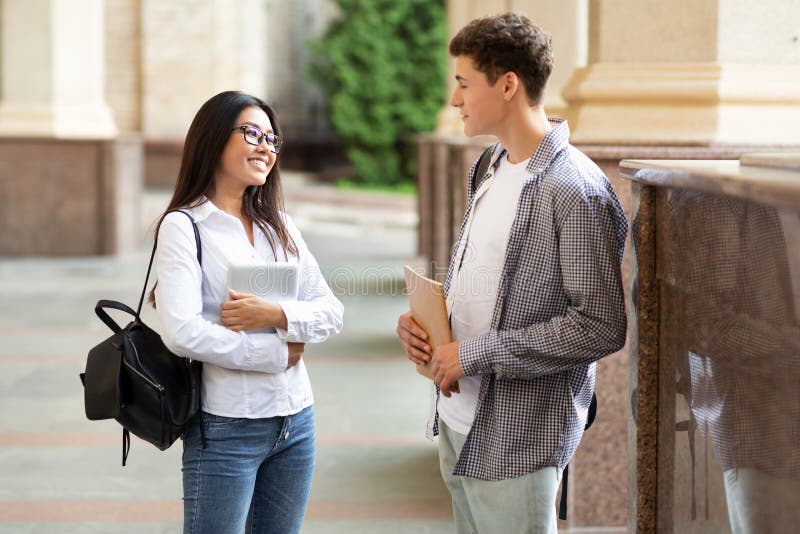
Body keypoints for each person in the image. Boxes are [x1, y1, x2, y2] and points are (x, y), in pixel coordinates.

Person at [396, 13, 627, 532]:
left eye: (462, 83)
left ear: (507, 85)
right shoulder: (491, 164)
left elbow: (600, 325)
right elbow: (482, 282)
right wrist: (427, 329)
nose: (454, 99)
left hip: (519, 438)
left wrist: (474, 354)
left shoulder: (575, 190)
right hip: (459, 421)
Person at [153, 90, 344, 534]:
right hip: (226, 429)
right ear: (214, 137)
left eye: (272, 139)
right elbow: (182, 332)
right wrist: (276, 354)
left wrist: (276, 314)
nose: (265, 147)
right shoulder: (185, 226)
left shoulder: (279, 224)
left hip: (296, 421)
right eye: (252, 133)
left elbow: (331, 311)